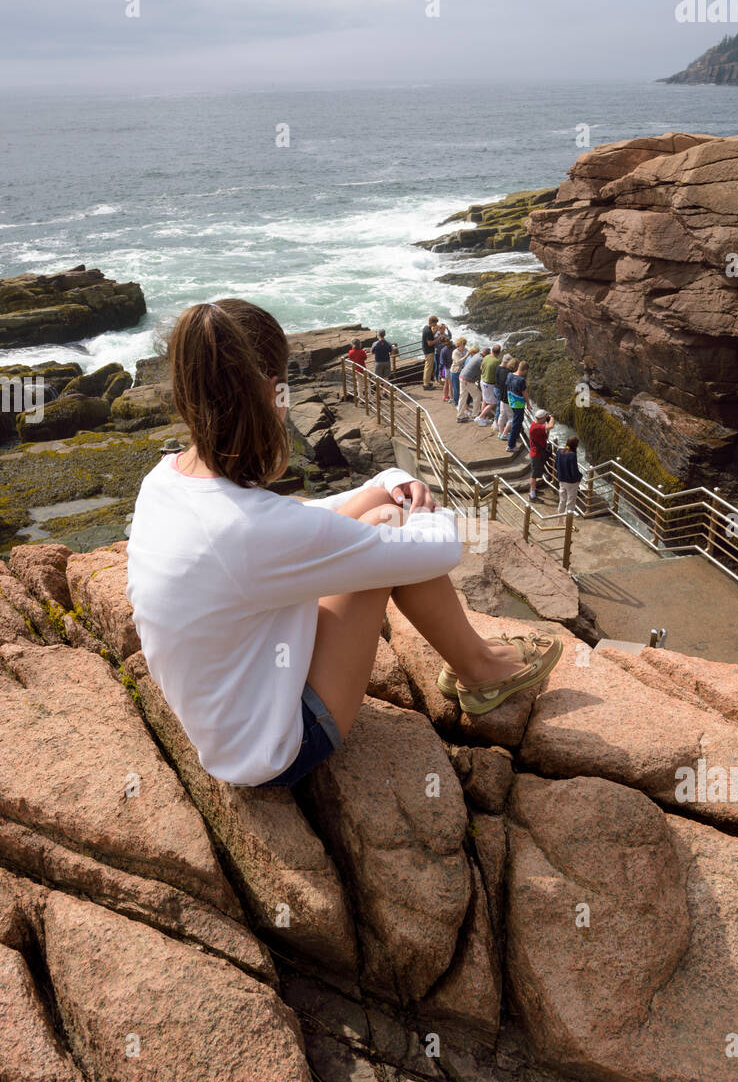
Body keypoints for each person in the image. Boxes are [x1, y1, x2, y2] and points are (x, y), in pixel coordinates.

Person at [125, 299, 562, 791]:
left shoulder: (165, 480)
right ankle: (481, 669)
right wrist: (421, 512)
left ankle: (473, 658)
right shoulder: (249, 531)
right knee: (393, 529)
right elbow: (439, 553)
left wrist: (393, 481)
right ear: (275, 393)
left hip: (231, 700)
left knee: (381, 504)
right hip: (273, 748)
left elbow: (303, 519)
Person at [527, 411, 555, 502]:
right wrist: (551, 418)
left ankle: (534, 490)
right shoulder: (536, 427)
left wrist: (547, 422)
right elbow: (551, 426)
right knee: (534, 475)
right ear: (542, 418)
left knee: (535, 474)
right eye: (545, 417)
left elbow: (546, 435)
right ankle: (532, 495)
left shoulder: (536, 425)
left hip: (537, 453)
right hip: (536, 454)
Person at [505, 360, 529, 450]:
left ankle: (513, 441)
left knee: (516, 422)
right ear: (525, 370)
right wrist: (529, 404)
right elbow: (524, 393)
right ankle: (511, 445)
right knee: (516, 424)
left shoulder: (509, 375)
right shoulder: (521, 380)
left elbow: (507, 386)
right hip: (518, 404)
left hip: (511, 401)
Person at [555, 436, 582, 517]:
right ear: (575, 445)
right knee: (570, 501)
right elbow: (574, 471)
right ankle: (568, 521)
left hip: (561, 480)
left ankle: (559, 519)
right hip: (571, 482)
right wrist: (579, 477)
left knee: (562, 500)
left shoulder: (559, 451)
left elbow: (556, 465)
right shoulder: (572, 455)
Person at [456, 344, 483, 422]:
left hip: (462, 377)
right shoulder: (479, 359)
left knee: (462, 397)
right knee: (477, 395)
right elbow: (481, 370)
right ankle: (475, 415)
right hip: (467, 380)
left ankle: (460, 416)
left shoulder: (471, 358)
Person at [476, 343, 502, 424]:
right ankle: (480, 417)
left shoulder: (486, 357)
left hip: (482, 381)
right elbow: (498, 374)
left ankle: (483, 417)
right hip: (489, 384)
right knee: (493, 403)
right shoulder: (497, 361)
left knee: (485, 400)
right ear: (499, 352)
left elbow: (481, 368)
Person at [496, 356, 517, 439]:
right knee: (512, 418)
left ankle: (500, 432)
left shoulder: (502, 371)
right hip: (508, 399)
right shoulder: (511, 375)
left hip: (502, 397)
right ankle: (504, 434)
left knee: (502, 415)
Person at [448, 337, 468, 406]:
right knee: (456, 388)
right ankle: (456, 403)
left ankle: (464, 403)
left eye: (464, 344)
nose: (464, 346)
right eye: (463, 344)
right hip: (455, 372)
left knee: (463, 389)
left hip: (463, 372)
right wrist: (466, 356)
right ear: (458, 344)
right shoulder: (455, 352)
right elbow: (457, 362)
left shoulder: (466, 350)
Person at [421, 315, 438, 389]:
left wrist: (434, 332)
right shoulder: (428, 330)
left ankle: (426, 382)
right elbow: (430, 343)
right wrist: (438, 339)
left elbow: (430, 337)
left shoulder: (426, 328)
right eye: (435, 323)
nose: (436, 325)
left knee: (428, 367)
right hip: (429, 351)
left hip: (427, 350)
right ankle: (426, 384)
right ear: (432, 322)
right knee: (428, 368)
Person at [439, 334, 453, 401]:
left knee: (448, 383)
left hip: (448, 368)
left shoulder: (443, 350)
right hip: (455, 367)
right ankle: (451, 396)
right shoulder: (454, 347)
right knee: (450, 383)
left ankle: (448, 397)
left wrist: (440, 372)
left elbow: (442, 363)